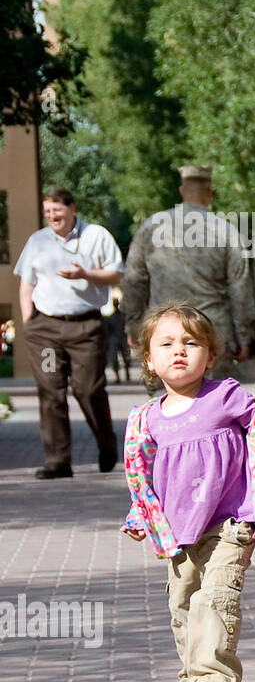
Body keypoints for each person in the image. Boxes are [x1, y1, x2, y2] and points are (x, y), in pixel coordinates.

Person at [121, 302, 255, 682]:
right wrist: (140, 516)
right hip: (178, 531)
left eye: (191, 343)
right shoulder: (146, 419)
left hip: (231, 522)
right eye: (167, 344)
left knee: (215, 597)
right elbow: (143, 477)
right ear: (150, 361)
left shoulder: (224, 396)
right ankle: (196, 678)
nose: (179, 351)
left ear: (209, 355)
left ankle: (213, 681)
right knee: (183, 605)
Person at [14, 187, 123, 479]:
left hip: (85, 327)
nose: (52, 217)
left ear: (72, 208)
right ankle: (58, 461)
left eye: (57, 211)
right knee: (51, 389)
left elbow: (117, 274)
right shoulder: (37, 241)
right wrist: (28, 321)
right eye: (48, 212)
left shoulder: (96, 236)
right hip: (46, 331)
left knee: (88, 389)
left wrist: (86, 274)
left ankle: (106, 444)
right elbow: (27, 283)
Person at [121, 166, 255, 384]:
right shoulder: (226, 230)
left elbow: (133, 280)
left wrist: (134, 325)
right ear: (210, 192)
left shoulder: (152, 227)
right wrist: (244, 336)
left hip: (163, 333)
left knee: (162, 402)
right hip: (212, 335)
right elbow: (240, 287)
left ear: (182, 190)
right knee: (211, 402)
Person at [104, 297, 131, 384]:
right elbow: (107, 330)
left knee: (126, 357)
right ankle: (118, 376)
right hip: (114, 339)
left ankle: (127, 373)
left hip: (122, 338)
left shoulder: (123, 316)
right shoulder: (111, 317)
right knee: (114, 359)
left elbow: (128, 328)